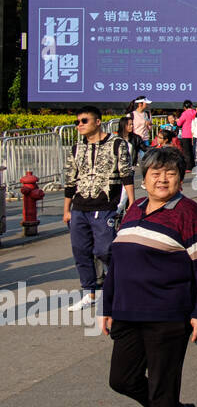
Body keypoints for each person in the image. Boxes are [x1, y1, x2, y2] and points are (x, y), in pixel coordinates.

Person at [100, 146, 197, 407]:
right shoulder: (134, 208)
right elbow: (116, 262)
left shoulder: (190, 213)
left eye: (170, 174)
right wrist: (106, 306)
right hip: (126, 311)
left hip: (168, 314)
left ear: (180, 179)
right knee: (121, 379)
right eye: (155, 173)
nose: (162, 179)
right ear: (144, 176)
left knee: (163, 385)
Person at [63, 105, 135, 311]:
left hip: (105, 206)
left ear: (97, 121)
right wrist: (66, 210)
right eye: (77, 122)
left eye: (84, 121)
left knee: (105, 249)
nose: (79, 125)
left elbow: (126, 174)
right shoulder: (77, 148)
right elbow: (70, 181)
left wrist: (131, 202)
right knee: (80, 251)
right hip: (79, 206)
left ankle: (122, 285)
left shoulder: (116, 144)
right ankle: (89, 292)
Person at [177, 101, 197, 171]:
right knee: (193, 151)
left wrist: (177, 120)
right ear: (191, 106)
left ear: (184, 107)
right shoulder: (195, 112)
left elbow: (179, 123)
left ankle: (189, 167)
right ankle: (195, 165)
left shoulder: (185, 113)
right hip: (194, 134)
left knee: (187, 152)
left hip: (186, 134)